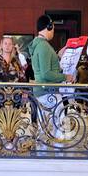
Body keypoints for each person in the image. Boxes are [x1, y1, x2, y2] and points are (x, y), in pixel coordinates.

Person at [29, 14, 70, 145]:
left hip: (42, 90)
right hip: (48, 90)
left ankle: (43, 150)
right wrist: (65, 77)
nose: (53, 31)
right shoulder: (44, 46)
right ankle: (58, 149)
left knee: (44, 123)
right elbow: (46, 73)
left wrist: (57, 55)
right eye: (53, 28)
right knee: (60, 122)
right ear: (49, 26)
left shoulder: (39, 45)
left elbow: (44, 68)